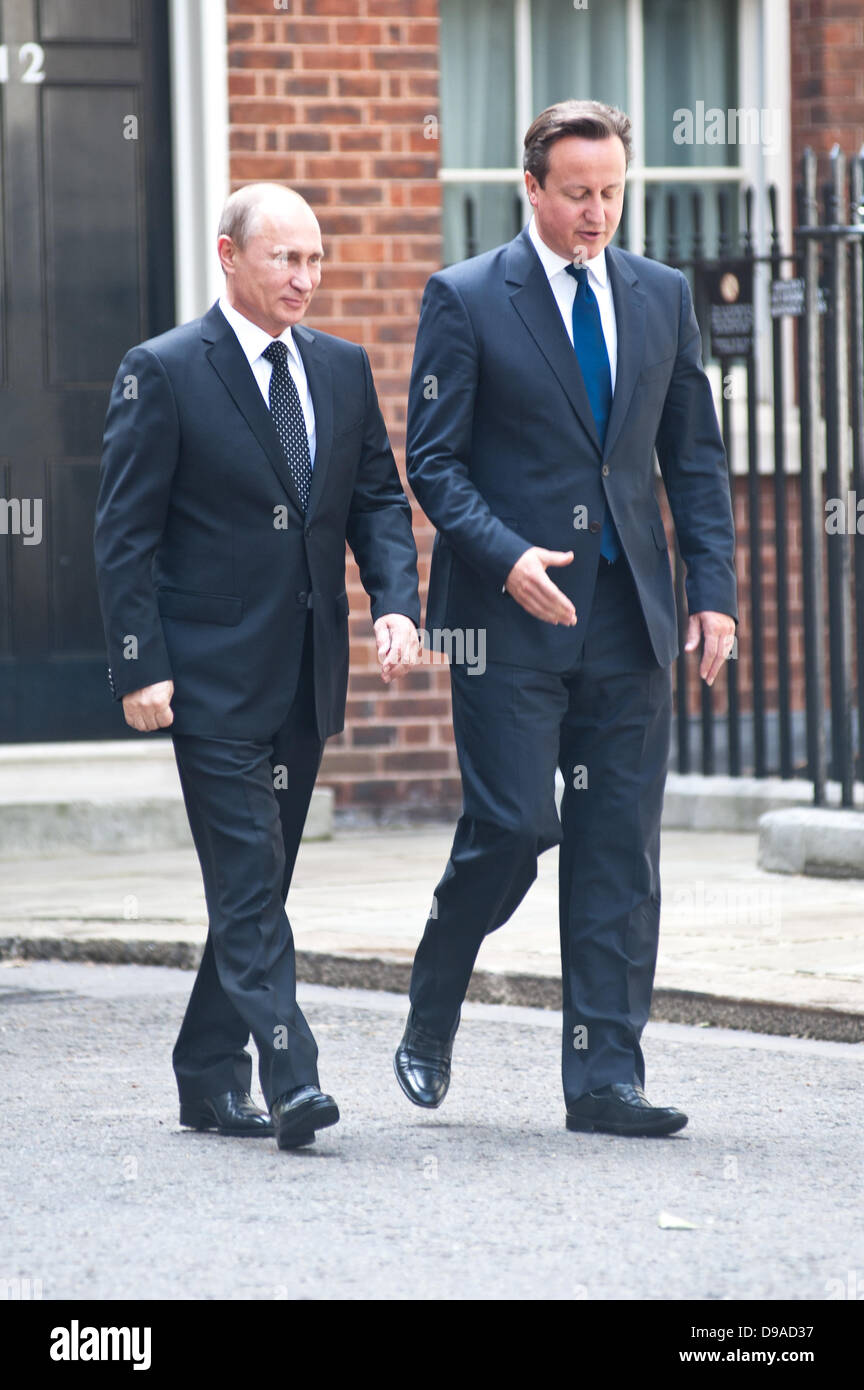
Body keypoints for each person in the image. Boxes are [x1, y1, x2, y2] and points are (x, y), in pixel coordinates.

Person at [395, 101, 737, 1137]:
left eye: (611, 192)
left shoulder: (662, 294)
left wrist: (712, 591)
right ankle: (437, 981)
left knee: (619, 848)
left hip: (629, 616)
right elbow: (434, 461)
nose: (596, 214)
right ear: (531, 188)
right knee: (515, 826)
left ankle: (603, 1077)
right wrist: (502, 556)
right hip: (508, 620)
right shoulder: (464, 299)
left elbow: (695, 456)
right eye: (577, 193)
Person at [95, 183, 420, 1151]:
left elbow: (376, 502)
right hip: (209, 682)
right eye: (285, 259)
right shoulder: (163, 372)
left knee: (257, 890)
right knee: (248, 884)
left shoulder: (342, 368)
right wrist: (136, 666)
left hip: (305, 675)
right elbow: (122, 535)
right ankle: (293, 1076)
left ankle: (203, 1072)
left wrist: (395, 603)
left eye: (314, 260)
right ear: (229, 256)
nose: (304, 278)